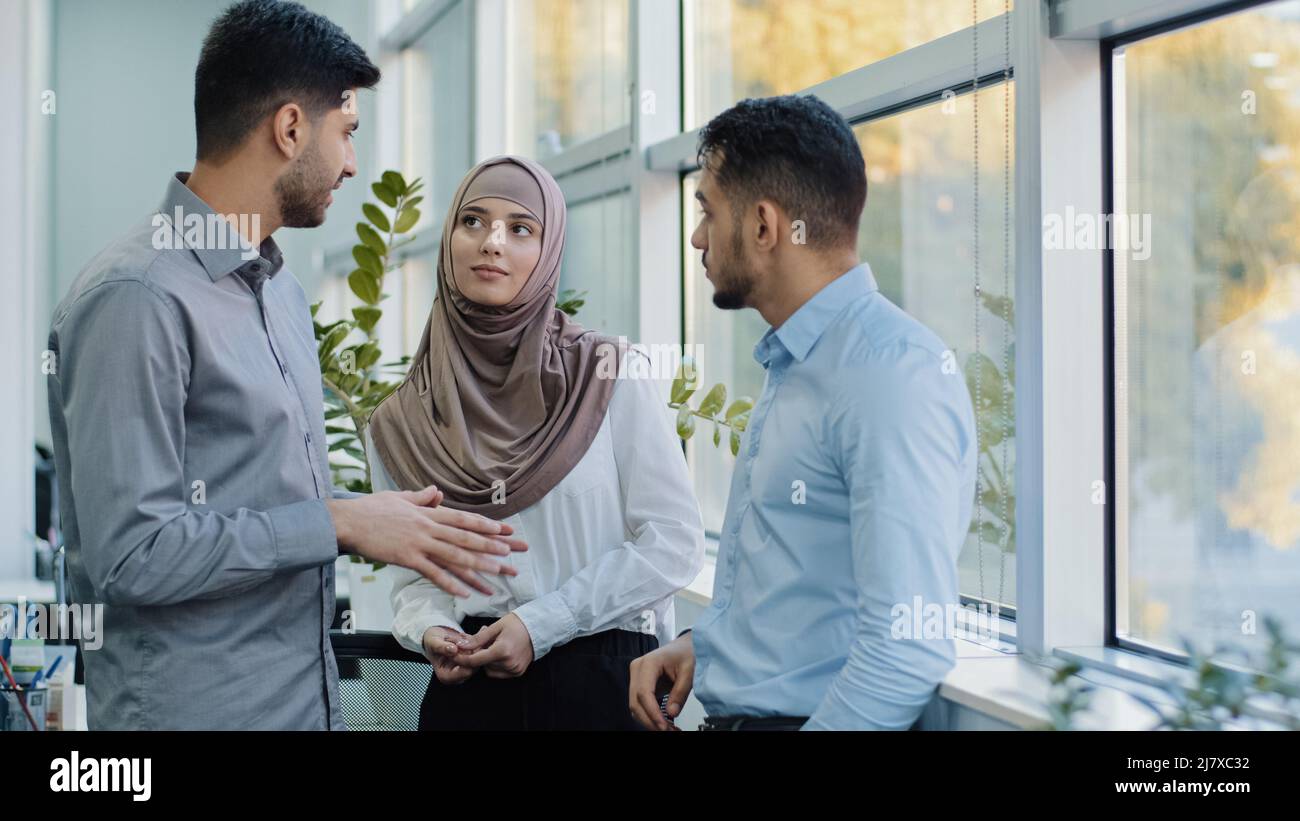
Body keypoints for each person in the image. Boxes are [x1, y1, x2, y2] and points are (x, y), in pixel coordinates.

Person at [45, 0, 524, 731]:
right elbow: (132, 555)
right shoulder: (135, 297)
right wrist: (335, 523)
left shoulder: (283, 294)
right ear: (291, 127)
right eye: (348, 133)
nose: (355, 164)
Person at [628, 94, 977, 731]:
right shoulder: (800, 358)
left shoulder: (888, 373)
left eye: (707, 211)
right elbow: (805, 574)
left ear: (764, 225)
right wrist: (708, 647)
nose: (697, 236)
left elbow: (906, 648)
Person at [369, 155, 705, 731]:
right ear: (448, 239)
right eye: (471, 221)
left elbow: (673, 543)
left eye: (520, 228)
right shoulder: (400, 421)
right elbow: (414, 581)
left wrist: (541, 623)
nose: (491, 243)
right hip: (471, 696)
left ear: (549, 252)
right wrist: (432, 630)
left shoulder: (609, 374)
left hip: (600, 686)